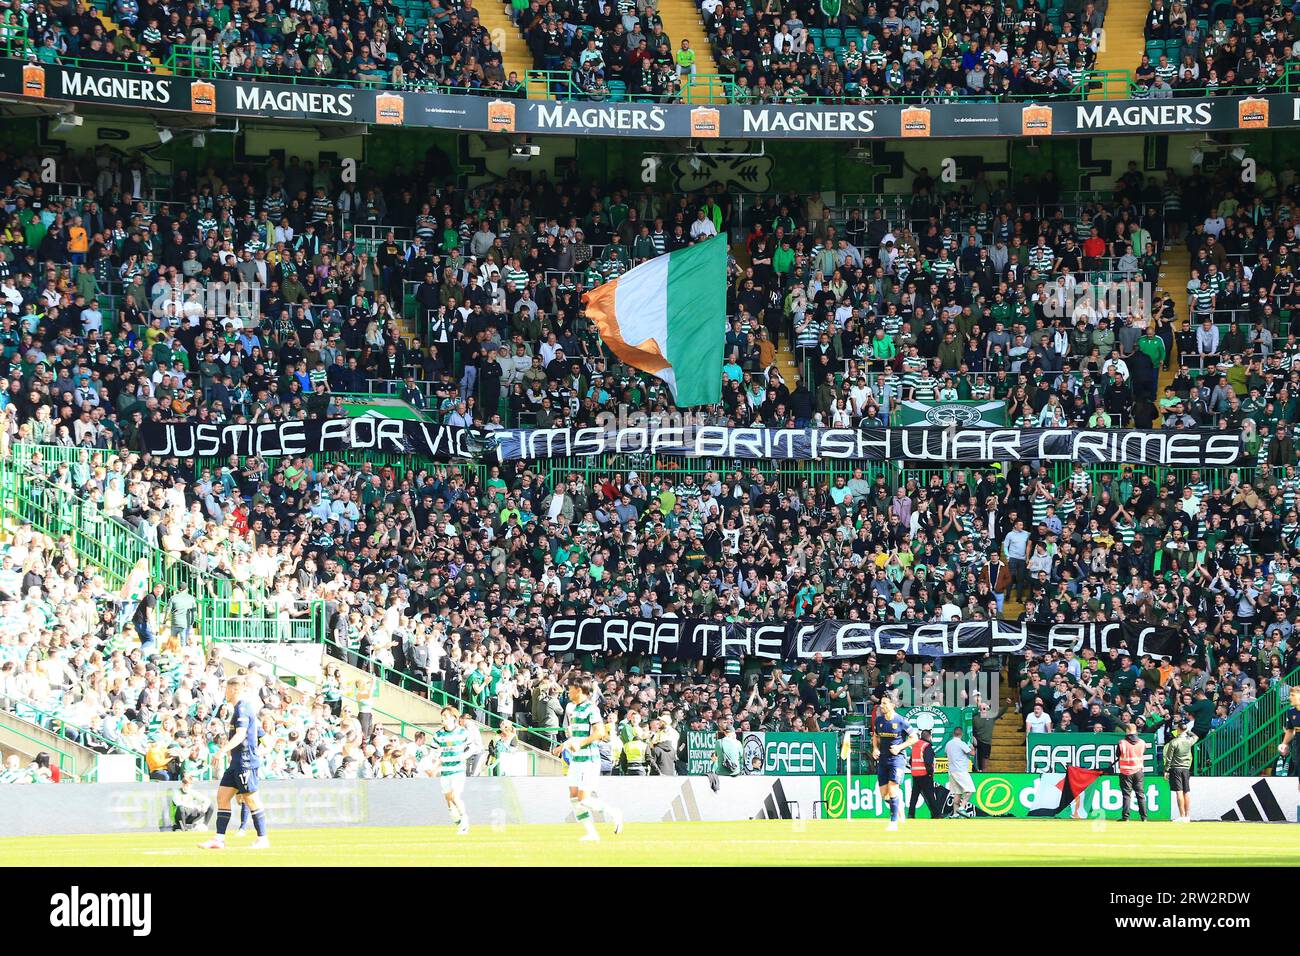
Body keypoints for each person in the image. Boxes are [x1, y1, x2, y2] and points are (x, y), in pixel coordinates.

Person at [198, 675, 270, 849]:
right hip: (236, 763)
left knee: (251, 799)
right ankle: (218, 840)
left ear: (235, 689)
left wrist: (223, 751)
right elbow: (265, 738)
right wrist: (259, 751)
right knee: (222, 797)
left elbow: (240, 734)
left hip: (244, 762)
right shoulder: (240, 710)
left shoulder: (242, 709)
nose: (224, 692)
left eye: (226, 689)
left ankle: (262, 839)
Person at [552, 675, 623, 841]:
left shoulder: (591, 709)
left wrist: (581, 743)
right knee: (574, 797)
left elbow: (600, 733)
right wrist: (564, 745)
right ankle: (591, 833)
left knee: (583, 799)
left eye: (570, 689)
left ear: (578, 690)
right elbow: (577, 736)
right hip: (577, 759)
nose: (567, 691)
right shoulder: (573, 709)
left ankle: (614, 813)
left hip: (589, 760)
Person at [872, 692, 918, 831]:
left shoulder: (901, 721)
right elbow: (875, 736)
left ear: (893, 705)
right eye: (881, 703)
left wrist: (899, 747)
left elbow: (914, 737)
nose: (882, 705)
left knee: (893, 789)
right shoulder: (879, 720)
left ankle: (893, 823)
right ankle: (899, 805)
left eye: (885, 703)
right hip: (883, 759)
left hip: (897, 759)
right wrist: (875, 748)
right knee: (884, 795)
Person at [435, 706, 471, 834]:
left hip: (458, 770)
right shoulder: (438, 734)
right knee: (449, 800)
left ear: (453, 718)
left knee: (455, 796)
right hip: (445, 771)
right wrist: (434, 761)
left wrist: (464, 755)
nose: (443, 718)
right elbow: (434, 751)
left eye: (446, 716)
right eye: (442, 716)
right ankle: (458, 821)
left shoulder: (462, 732)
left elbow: (473, 747)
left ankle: (465, 820)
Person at [1163, 718, 1198, 823]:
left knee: (1179, 791)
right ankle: (1187, 815)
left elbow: (1169, 758)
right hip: (1186, 768)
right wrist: (1188, 731)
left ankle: (1182, 815)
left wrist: (1166, 770)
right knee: (1186, 791)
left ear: (1178, 729)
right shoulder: (1189, 740)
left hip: (1176, 768)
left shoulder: (1174, 742)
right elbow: (1196, 736)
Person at [1113, 722, 1149, 822]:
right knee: (1140, 795)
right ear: (1135, 730)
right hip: (1138, 771)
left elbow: (1117, 754)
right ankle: (1144, 817)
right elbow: (1143, 752)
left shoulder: (1122, 743)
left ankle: (1126, 817)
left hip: (1125, 771)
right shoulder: (1142, 742)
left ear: (1127, 731)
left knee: (1126, 795)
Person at [945, 726, 976, 818]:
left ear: (953, 734)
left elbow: (945, 754)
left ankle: (955, 814)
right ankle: (962, 807)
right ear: (961, 734)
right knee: (970, 790)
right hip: (961, 770)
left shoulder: (948, 744)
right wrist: (972, 748)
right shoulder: (961, 743)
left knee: (957, 792)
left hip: (951, 771)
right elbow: (972, 753)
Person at [907, 730, 939, 819]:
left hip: (915, 774)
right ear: (929, 736)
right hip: (925, 774)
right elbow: (928, 761)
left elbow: (911, 761)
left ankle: (911, 814)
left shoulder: (915, 745)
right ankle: (936, 814)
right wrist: (930, 773)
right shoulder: (926, 746)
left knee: (914, 796)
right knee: (930, 796)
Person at [1279, 685, 1300, 803]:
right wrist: (1284, 743)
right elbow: (1291, 730)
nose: (1290, 697)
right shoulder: (1291, 711)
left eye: (1292, 695)